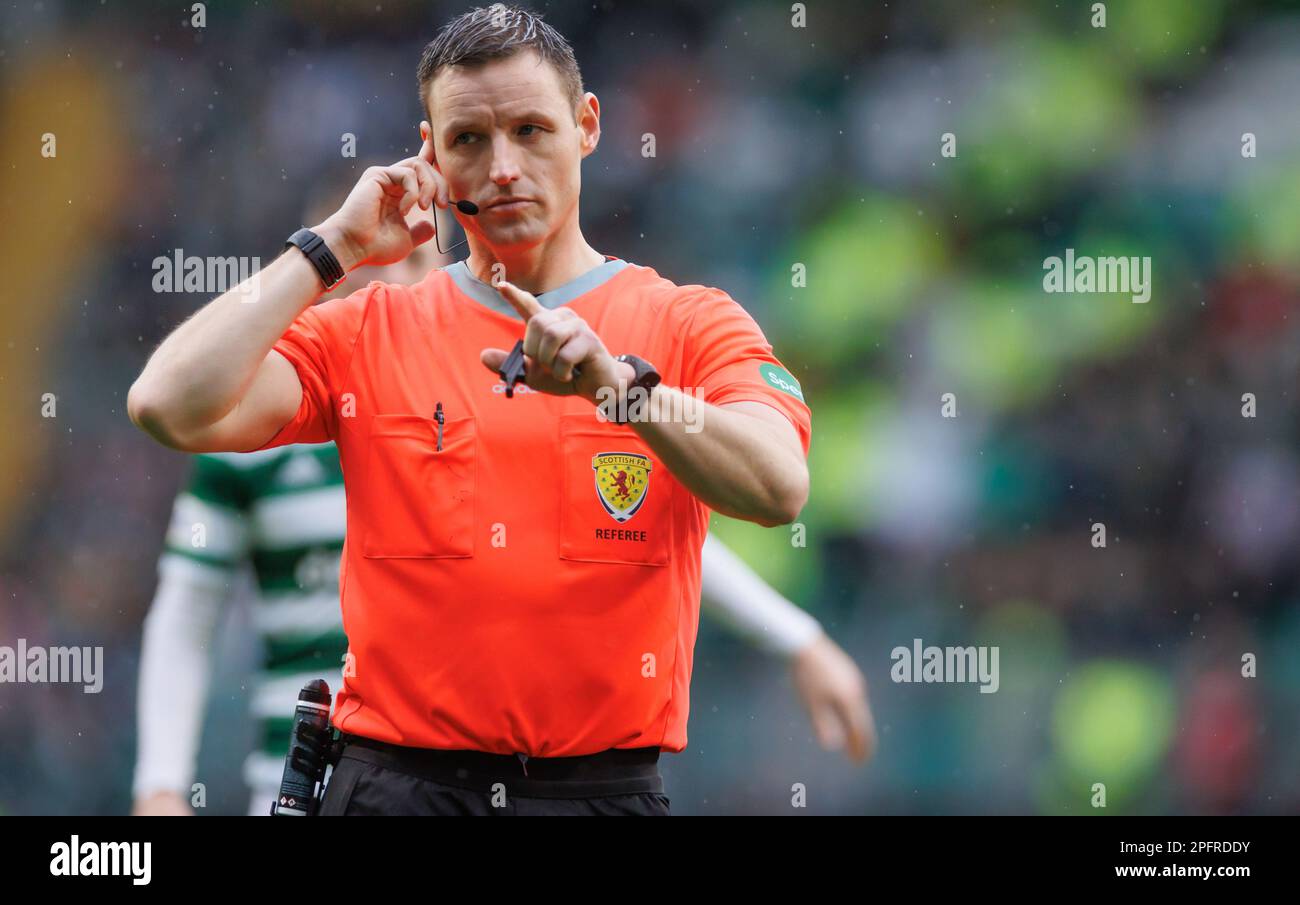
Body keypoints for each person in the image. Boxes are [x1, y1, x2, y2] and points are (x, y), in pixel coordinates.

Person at [128, 3, 817, 815]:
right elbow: (166, 404)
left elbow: (780, 487)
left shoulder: (690, 322)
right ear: (430, 152)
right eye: (468, 140)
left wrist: (619, 390)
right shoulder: (365, 330)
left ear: (587, 125)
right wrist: (331, 249)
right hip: (394, 787)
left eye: (530, 130)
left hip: (600, 790)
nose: (502, 168)